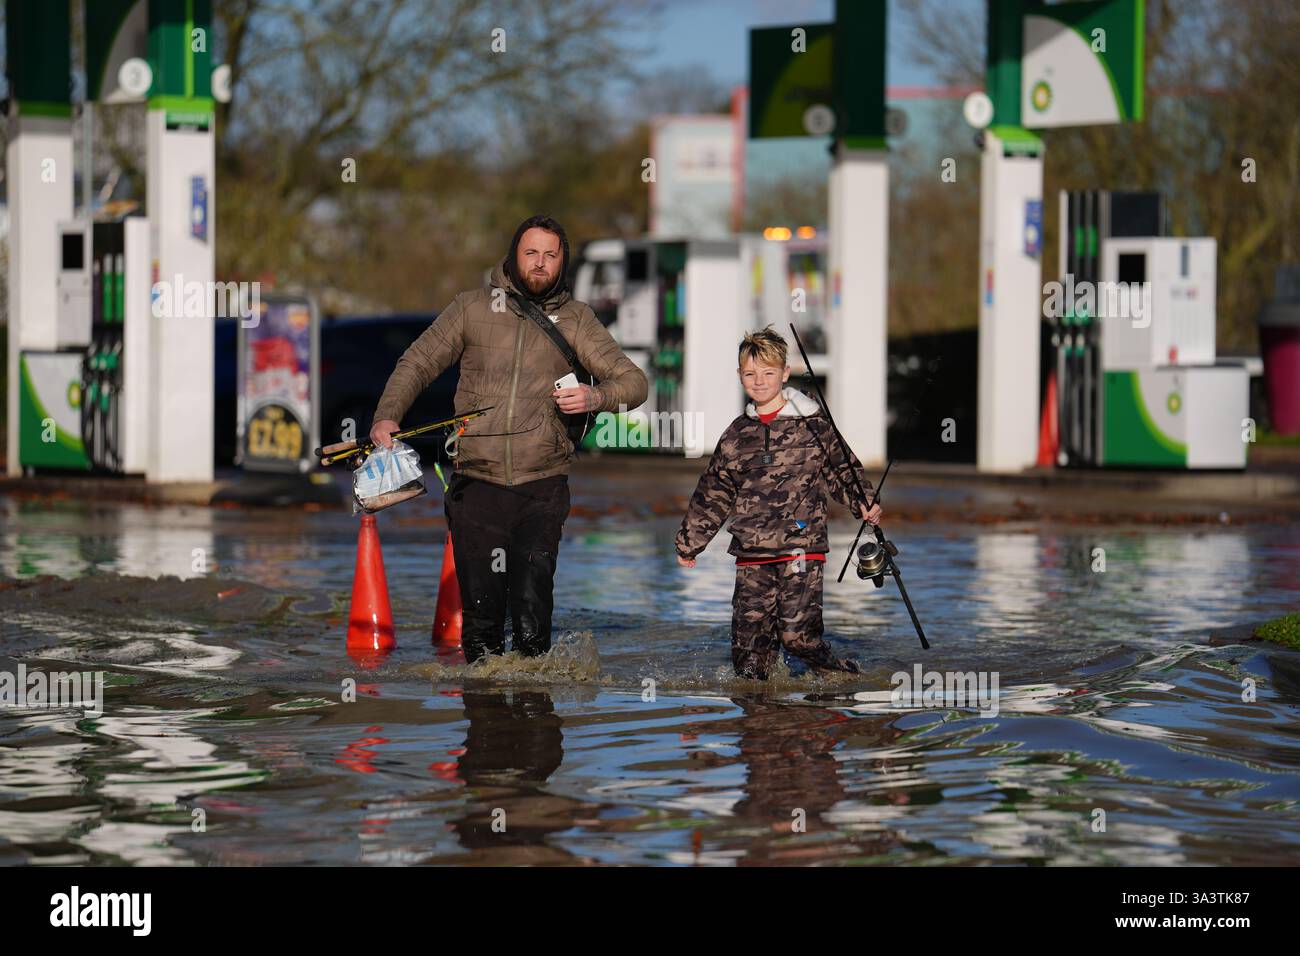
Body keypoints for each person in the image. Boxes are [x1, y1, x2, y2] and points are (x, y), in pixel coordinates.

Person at [370, 214, 648, 662]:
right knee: (481, 622)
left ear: (563, 262)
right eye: (531, 253)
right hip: (476, 484)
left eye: (550, 256)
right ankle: (486, 721)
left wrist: (595, 396)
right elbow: (417, 362)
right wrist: (386, 417)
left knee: (532, 614)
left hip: (542, 486)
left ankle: (534, 721)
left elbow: (635, 384)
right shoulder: (472, 307)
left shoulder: (577, 319)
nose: (540, 264)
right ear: (514, 256)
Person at [674, 326, 882, 680]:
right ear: (740, 376)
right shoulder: (736, 434)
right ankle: (761, 723)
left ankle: (844, 678)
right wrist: (689, 543)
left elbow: (841, 470)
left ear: (785, 373)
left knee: (797, 637)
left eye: (768, 373)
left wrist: (863, 502)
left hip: (802, 548)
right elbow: (714, 491)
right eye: (750, 374)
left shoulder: (813, 425)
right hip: (752, 554)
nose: (759, 381)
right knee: (748, 660)